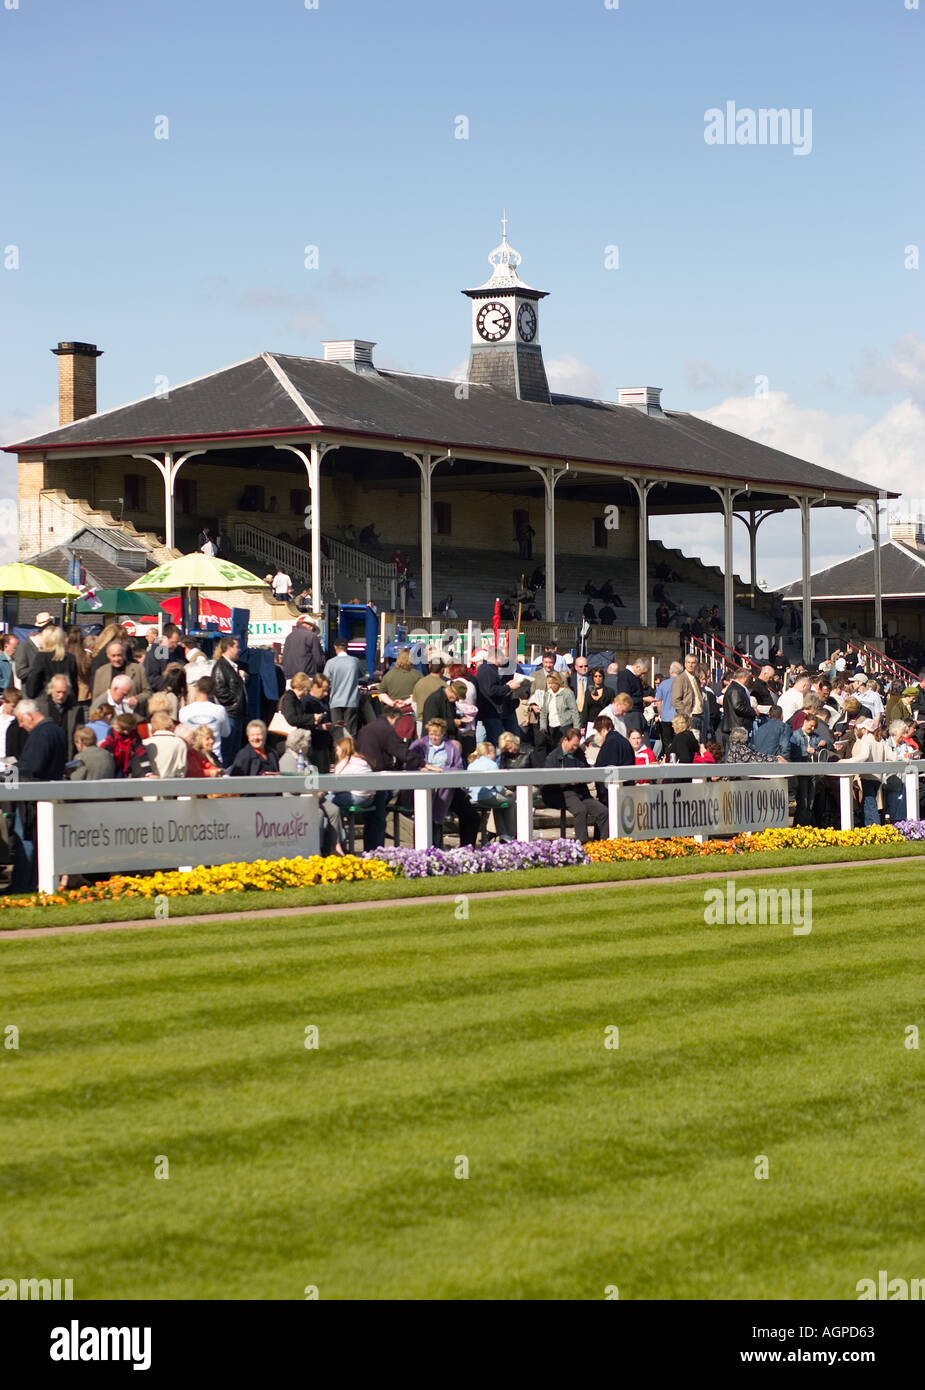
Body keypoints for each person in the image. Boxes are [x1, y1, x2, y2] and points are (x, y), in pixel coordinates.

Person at [9, 698, 67, 890]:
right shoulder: (57, 729)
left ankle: (22, 886)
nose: (20, 724)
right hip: (51, 794)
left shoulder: (41, 733)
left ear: (29, 715)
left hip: (32, 797)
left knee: (27, 842)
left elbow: (32, 767)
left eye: (21, 720)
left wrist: (8, 770)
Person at [356, 706, 423, 849]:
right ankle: (377, 852)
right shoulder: (386, 730)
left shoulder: (366, 729)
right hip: (378, 778)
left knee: (370, 820)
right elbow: (400, 751)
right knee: (379, 819)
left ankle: (369, 850)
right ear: (395, 718)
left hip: (362, 775)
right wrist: (421, 763)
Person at [410, 718, 481, 846]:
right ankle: (425, 849)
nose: (434, 737)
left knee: (471, 816)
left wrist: (442, 770)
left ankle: (466, 849)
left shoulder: (450, 747)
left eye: (437, 734)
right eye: (431, 734)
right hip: (423, 788)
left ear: (443, 734)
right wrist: (424, 769)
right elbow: (410, 764)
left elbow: (458, 767)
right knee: (424, 815)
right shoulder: (419, 744)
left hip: (447, 789)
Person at [542, 727, 608, 842]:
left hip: (581, 791)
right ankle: (582, 844)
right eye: (573, 745)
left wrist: (585, 778)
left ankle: (602, 843)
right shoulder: (552, 758)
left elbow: (586, 770)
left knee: (603, 812)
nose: (575, 748)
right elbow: (548, 781)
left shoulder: (579, 753)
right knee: (580, 810)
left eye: (577, 745)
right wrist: (568, 781)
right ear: (565, 740)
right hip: (561, 792)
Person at [465, 741, 516, 841]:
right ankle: (510, 833)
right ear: (488, 754)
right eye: (493, 752)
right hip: (487, 797)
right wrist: (506, 793)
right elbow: (499, 788)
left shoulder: (471, 764)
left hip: (473, 798)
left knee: (499, 803)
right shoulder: (492, 765)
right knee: (510, 801)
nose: (495, 754)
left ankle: (503, 833)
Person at [475, 648, 525, 747]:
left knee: (504, 739)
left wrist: (506, 686)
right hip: (492, 711)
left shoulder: (489, 669)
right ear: (496, 658)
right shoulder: (487, 670)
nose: (505, 660)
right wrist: (508, 687)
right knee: (495, 742)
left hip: (502, 709)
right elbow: (490, 690)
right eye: (503, 657)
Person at [178, 675, 232, 764]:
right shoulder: (220, 710)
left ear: (196, 688)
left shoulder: (184, 711)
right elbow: (226, 733)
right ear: (212, 691)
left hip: (192, 760)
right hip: (215, 758)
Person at [212, 636, 248, 763]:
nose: (239, 650)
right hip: (230, 713)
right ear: (228, 648)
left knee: (234, 751)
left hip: (236, 713)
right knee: (228, 750)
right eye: (237, 647)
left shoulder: (231, 666)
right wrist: (234, 701)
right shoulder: (221, 666)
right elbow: (219, 689)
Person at [24, 626, 79, 700]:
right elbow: (73, 682)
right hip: (66, 698)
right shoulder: (70, 658)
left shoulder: (41, 657)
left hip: (45, 699)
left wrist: (32, 694)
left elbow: (35, 679)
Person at [90, 640, 150, 706]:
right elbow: (96, 697)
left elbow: (148, 692)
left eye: (119, 655)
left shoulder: (138, 669)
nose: (116, 659)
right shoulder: (101, 672)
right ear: (108, 656)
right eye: (113, 656)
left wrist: (137, 699)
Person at [36, 674, 85, 754]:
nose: (61, 696)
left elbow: (79, 733)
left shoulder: (76, 709)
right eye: (58, 692)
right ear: (51, 690)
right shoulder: (41, 707)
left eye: (64, 692)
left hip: (67, 754)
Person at [323, 639, 362, 735]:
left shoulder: (330, 663)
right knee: (350, 732)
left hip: (335, 701)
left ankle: (338, 749)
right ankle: (350, 749)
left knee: (337, 731)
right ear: (346, 648)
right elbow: (362, 675)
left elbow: (325, 681)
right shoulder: (355, 661)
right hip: (351, 701)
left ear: (335, 648)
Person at [144, 712, 190, 778]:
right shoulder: (179, 742)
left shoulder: (146, 742)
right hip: (172, 782)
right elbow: (181, 768)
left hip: (150, 783)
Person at [142, 624, 186, 692]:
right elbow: (151, 678)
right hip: (161, 693)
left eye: (177, 642)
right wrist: (171, 683)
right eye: (173, 642)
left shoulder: (179, 651)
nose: (175, 645)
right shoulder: (154, 654)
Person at [281, 617, 325, 682]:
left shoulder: (289, 636)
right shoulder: (311, 636)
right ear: (311, 627)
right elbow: (318, 659)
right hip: (306, 676)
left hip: (289, 677)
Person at [377, 648, 420, 713]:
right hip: (411, 711)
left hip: (393, 712)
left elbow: (381, 693)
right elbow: (420, 694)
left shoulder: (389, 675)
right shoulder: (417, 675)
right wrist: (405, 702)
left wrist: (392, 703)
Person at [720, 668, 756, 741]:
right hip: (736, 727)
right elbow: (738, 707)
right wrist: (753, 711)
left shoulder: (736, 688)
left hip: (736, 726)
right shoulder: (736, 689)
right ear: (744, 678)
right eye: (749, 679)